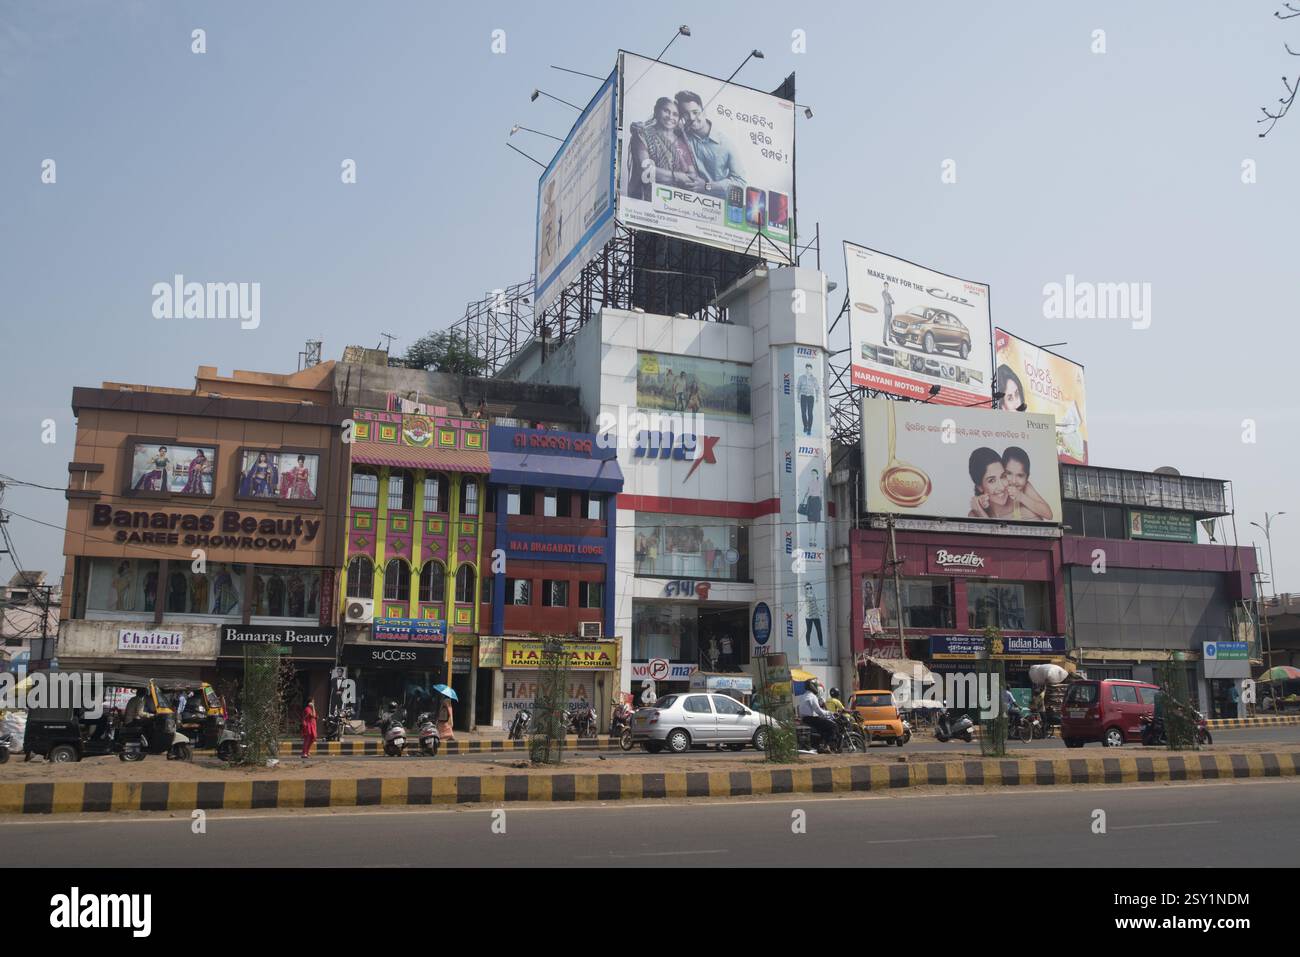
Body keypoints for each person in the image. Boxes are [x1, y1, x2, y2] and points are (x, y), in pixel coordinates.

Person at [627, 97, 705, 201]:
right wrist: (677, 177)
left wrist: (692, 179)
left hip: (677, 204)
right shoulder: (642, 135)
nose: (670, 117)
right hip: (646, 203)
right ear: (657, 111)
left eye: (675, 114)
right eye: (666, 111)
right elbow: (646, 171)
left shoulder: (682, 142)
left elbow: (692, 174)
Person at [676, 90, 745, 197]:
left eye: (695, 112)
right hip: (686, 202)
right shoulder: (681, 136)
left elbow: (740, 183)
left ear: (704, 112)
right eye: (686, 114)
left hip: (717, 206)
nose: (691, 118)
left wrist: (707, 186)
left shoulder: (725, 143)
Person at [1001, 447, 1054, 521]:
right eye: (1009, 473)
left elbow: (1049, 514)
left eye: (1020, 475)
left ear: (1027, 477)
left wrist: (1021, 496)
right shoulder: (997, 487)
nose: (1013, 481)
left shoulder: (1025, 487)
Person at [967, 447, 1011, 519]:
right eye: (992, 480)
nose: (1002, 487)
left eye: (1003, 476)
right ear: (980, 487)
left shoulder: (1020, 504)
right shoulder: (974, 514)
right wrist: (980, 512)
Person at [798, 678, 839, 752]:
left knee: (824, 727)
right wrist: (831, 713)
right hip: (810, 719)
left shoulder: (802, 696)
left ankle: (821, 744)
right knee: (833, 726)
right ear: (813, 687)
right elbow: (819, 711)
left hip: (804, 719)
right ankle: (826, 746)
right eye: (815, 686)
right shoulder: (812, 696)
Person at [800, 468, 824, 548]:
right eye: (812, 474)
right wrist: (803, 500)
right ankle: (810, 540)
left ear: (817, 475)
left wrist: (821, 505)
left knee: (816, 522)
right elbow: (806, 492)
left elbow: (821, 495)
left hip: (817, 502)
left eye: (814, 473)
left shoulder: (820, 483)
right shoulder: (809, 483)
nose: (813, 475)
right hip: (810, 501)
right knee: (810, 521)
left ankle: (815, 540)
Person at [797, 363, 819, 436]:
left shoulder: (814, 379)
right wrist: (798, 396)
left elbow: (817, 389)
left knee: (810, 413)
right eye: (807, 368)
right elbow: (798, 387)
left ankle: (809, 429)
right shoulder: (801, 377)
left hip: (810, 396)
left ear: (811, 369)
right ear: (805, 369)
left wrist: (817, 398)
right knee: (803, 412)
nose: (808, 370)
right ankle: (805, 426)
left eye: (809, 368)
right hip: (803, 395)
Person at [802, 582, 824, 649]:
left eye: (810, 587)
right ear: (805, 590)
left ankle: (821, 645)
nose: (809, 589)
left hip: (816, 615)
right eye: (807, 588)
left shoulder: (815, 595)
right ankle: (808, 645)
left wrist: (820, 612)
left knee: (819, 630)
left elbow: (817, 604)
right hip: (809, 616)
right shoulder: (805, 597)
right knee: (809, 630)